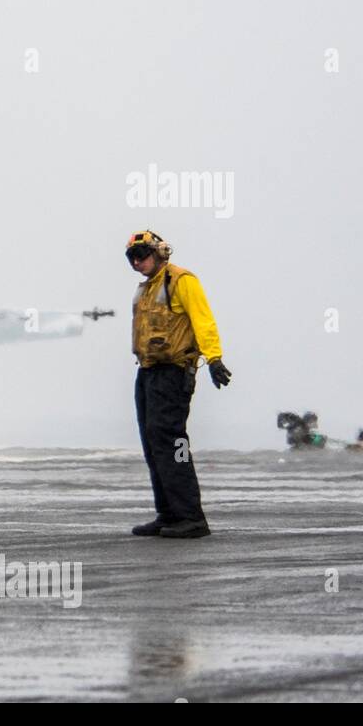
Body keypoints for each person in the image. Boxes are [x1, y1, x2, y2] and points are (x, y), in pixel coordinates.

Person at [125, 231, 230, 539]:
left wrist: (214, 359)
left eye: (142, 254)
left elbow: (203, 320)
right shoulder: (146, 288)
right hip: (147, 372)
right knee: (152, 442)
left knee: (171, 441)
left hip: (173, 372)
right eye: (131, 257)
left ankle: (191, 517)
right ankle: (168, 513)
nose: (136, 261)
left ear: (159, 252)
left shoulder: (182, 281)